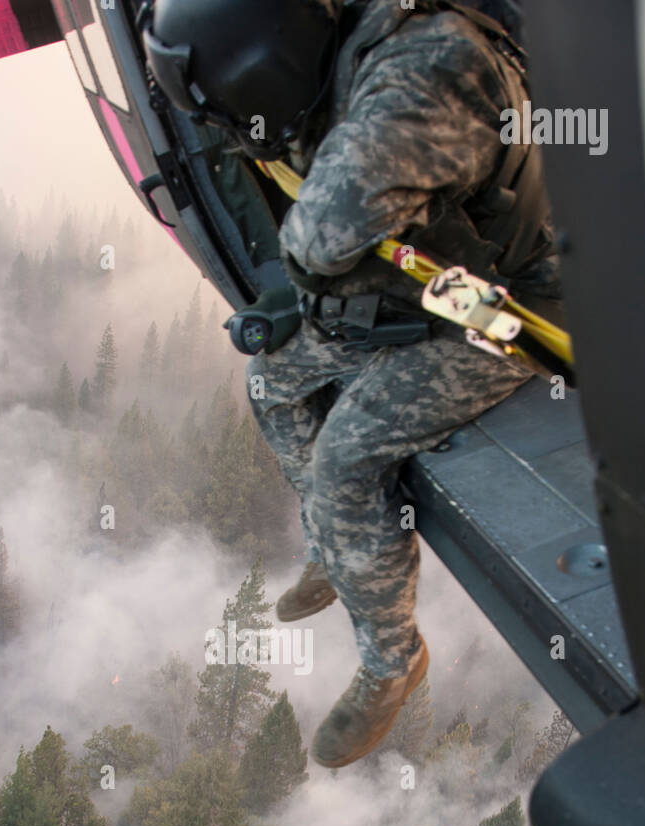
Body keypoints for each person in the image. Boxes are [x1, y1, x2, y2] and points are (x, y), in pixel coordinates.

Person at [143, 0, 563, 767]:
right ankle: (333, 549)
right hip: (434, 286)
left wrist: (317, 281)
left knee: (344, 463)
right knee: (272, 382)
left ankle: (391, 664)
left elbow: (324, 234)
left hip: (510, 312)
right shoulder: (347, 45)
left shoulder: (424, 73)